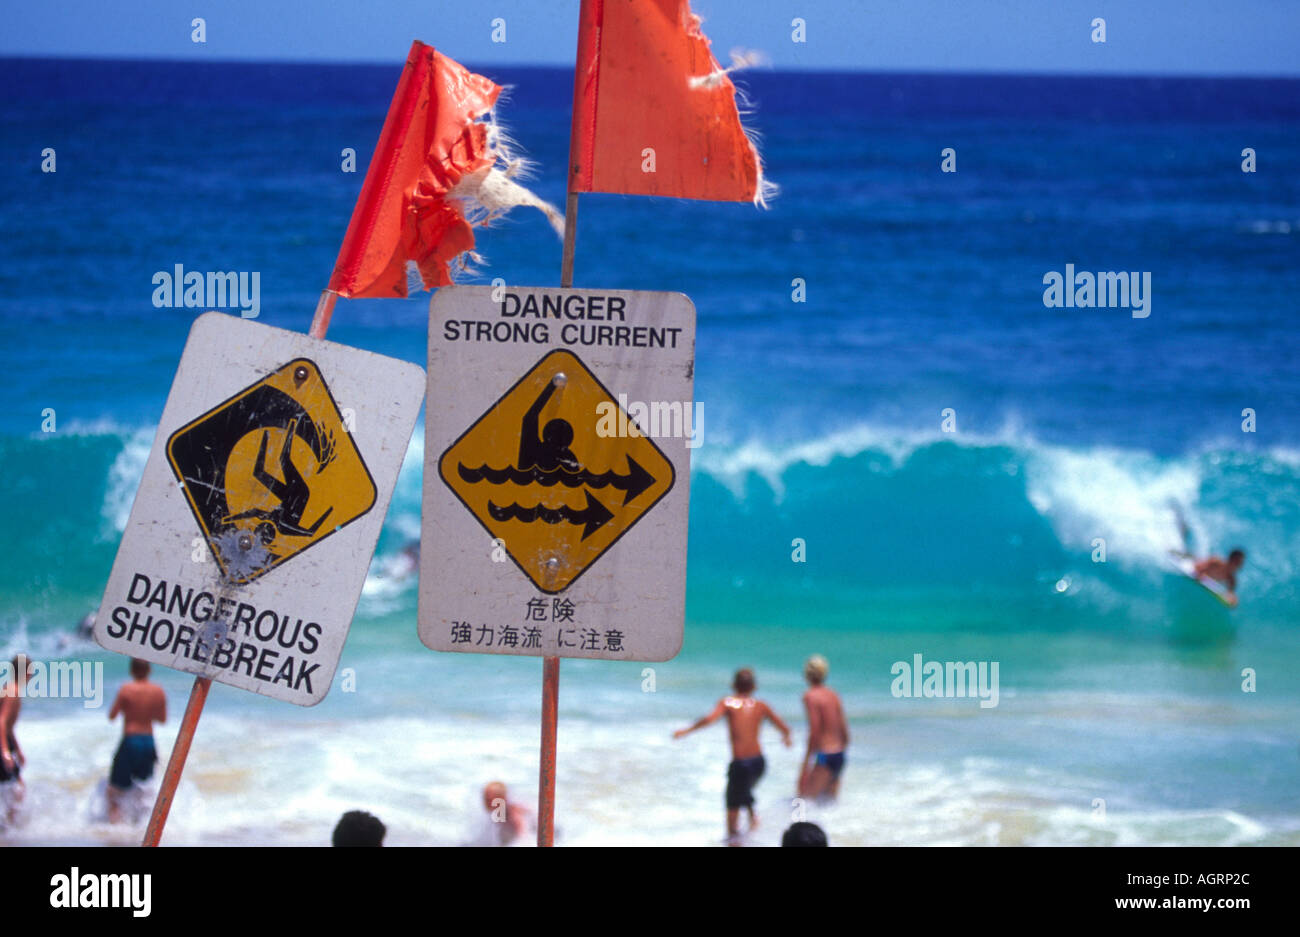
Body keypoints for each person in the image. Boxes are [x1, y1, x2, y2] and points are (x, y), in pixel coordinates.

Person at [674, 668, 792, 842]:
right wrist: (786, 738)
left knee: (732, 809)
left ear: (734, 685)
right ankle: (753, 822)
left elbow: (709, 719)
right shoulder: (761, 705)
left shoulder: (727, 703)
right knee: (745, 789)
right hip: (759, 763)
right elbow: (784, 727)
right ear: (753, 686)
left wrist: (686, 730)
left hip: (741, 764)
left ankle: (735, 840)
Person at [106, 658, 166, 823]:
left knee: (115, 790)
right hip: (148, 742)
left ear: (132, 671)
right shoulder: (158, 690)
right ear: (149, 671)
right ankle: (139, 828)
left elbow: (112, 716)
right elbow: (162, 719)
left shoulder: (126, 689)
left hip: (130, 740)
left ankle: (114, 828)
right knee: (143, 790)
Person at [798, 655, 849, 801]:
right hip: (839, 754)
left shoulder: (810, 696)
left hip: (824, 755)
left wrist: (805, 766)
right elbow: (844, 730)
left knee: (806, 801)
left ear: (807, 674)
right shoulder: (833, 694)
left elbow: (815, 731)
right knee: (829, 804)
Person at [0, 654, 33, 823]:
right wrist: (5, 752)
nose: (32, 674)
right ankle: (9, 827)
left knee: (16, 788)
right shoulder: (12, 690)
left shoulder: (12, 689)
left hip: (6, 740)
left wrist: (18, 749)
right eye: (30, 671)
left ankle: (8, 826)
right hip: (2, 743)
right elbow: (1, 722)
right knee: (17, 789)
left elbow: (9, 727)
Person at [481, 780, 533, 845]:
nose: (485, 801)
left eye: (489, 799)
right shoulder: (498, 814)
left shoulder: (512, 812)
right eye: (485, 797)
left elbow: (525, 839)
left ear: (501, 798)